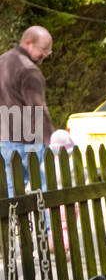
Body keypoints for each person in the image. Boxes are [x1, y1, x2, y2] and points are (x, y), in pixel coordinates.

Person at [0, 26, 54, 195]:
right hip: (27, 141)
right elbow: (38, 110)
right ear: (29, 43)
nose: (45, 55)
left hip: (3, 140)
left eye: (48, 52)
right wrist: (49, 142)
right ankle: (46, 222)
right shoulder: (29, 70)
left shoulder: (2, 61)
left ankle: (12, 222)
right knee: (42, 189)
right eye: (43, 50)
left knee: (11, 190)